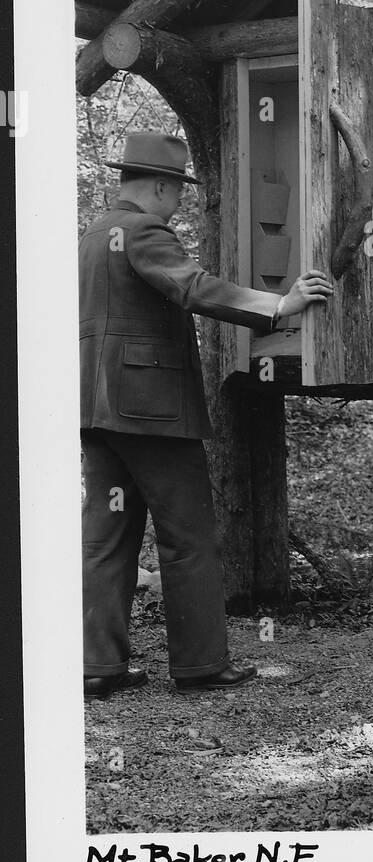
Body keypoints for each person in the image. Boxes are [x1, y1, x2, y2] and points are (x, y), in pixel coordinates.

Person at [79, 132, 332, 698]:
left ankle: (97, 667)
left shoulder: (92, 235)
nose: (177, 205)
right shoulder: (144, 230)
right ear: (163, 186)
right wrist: (277, 303)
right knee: (188, 534)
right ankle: (200, 666)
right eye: (177, 194)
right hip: (149, 409)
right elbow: (191, 286)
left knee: (105, 537)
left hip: (97, 409)